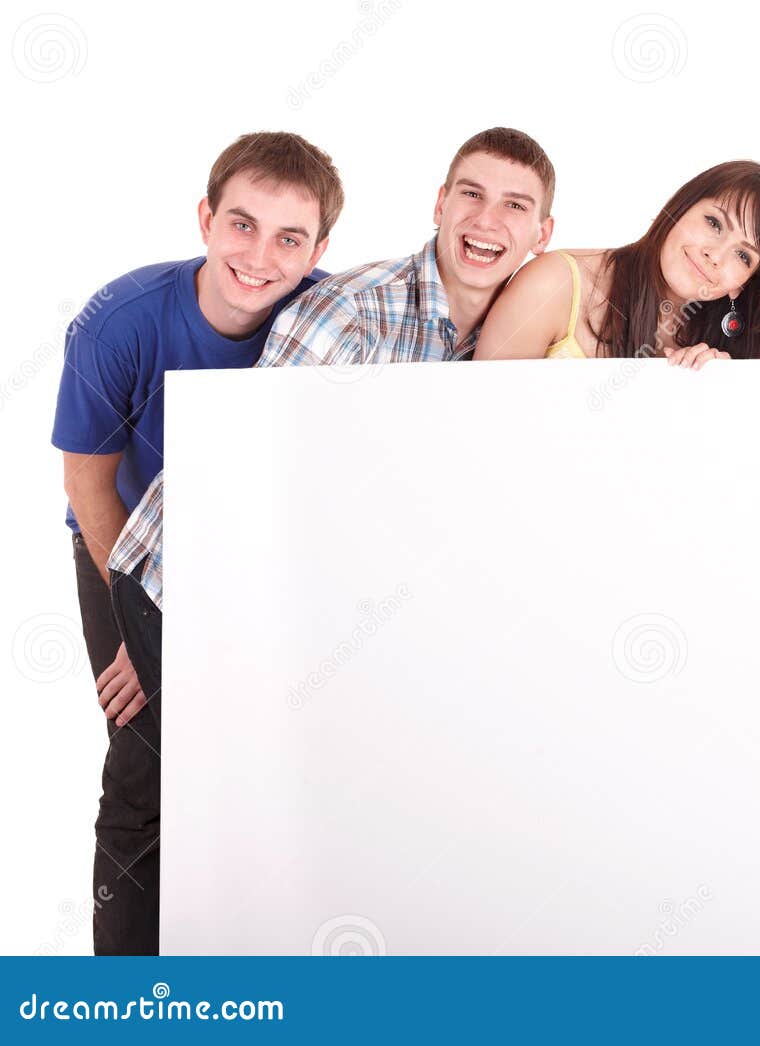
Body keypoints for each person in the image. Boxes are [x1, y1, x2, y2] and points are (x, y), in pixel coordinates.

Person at [100, 126, 555, 953]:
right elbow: (247, 484)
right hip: (188, 573)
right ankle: (130, 1002)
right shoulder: (352, 310)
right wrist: (158, 633)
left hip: (300, 596)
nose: (488, 219)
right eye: (471, 194)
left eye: (515, 205)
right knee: (168, 801)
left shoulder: (515, 335)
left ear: (541, 235)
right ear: (440, 205)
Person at [51, 131, 342, 955]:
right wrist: (138, 628)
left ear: (319, 251)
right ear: (206, 218)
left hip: (251, 550)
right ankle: (126, 992)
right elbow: (86, 486)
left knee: (268, 760)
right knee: (147, 759)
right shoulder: (121, 323)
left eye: (290, 238)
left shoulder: (329, 314)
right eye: (242, 225)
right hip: (127, 547)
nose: (260, 255)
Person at [476, 160, 760, 367]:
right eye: (714, 223)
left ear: (743, 284)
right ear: (679, 209)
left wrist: (714, 391)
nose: (715, 255)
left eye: (743, 255)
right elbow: (475, 414)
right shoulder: (555, 284)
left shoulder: (721, 347)